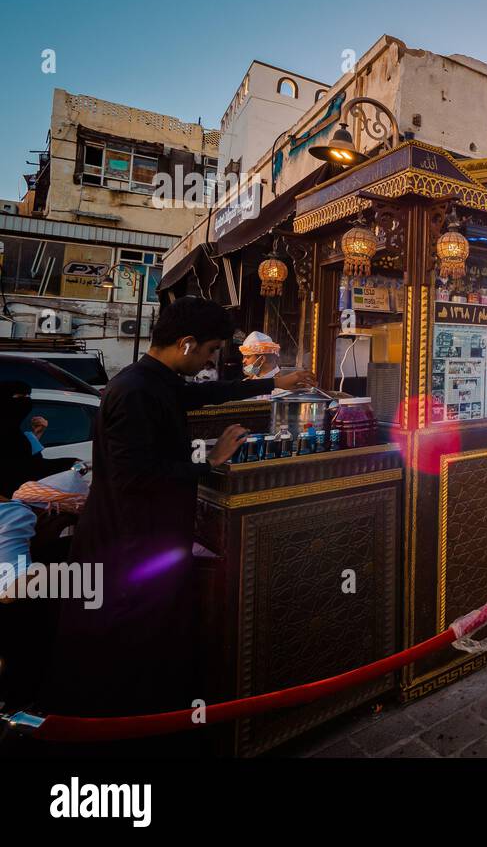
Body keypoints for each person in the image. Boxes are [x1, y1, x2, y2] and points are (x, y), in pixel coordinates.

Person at [45, 297, 315, 734]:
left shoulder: (154, 381)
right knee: (125, 657)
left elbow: (200, 394)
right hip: (128, 549)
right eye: (210, 351)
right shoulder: (135, 391)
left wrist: (269, 384)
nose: (211, 360)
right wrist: (210, 462)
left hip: (141, 542)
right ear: (187, 344)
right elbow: (137, 476)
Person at [1, 381, 77, 499]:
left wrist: (37, 434)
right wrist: (67, 465)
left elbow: (25, 457)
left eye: (28, 396)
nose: (26, 401)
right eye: (20, 397)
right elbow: (23, 468)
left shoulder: (13, 429)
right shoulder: (7, 430)